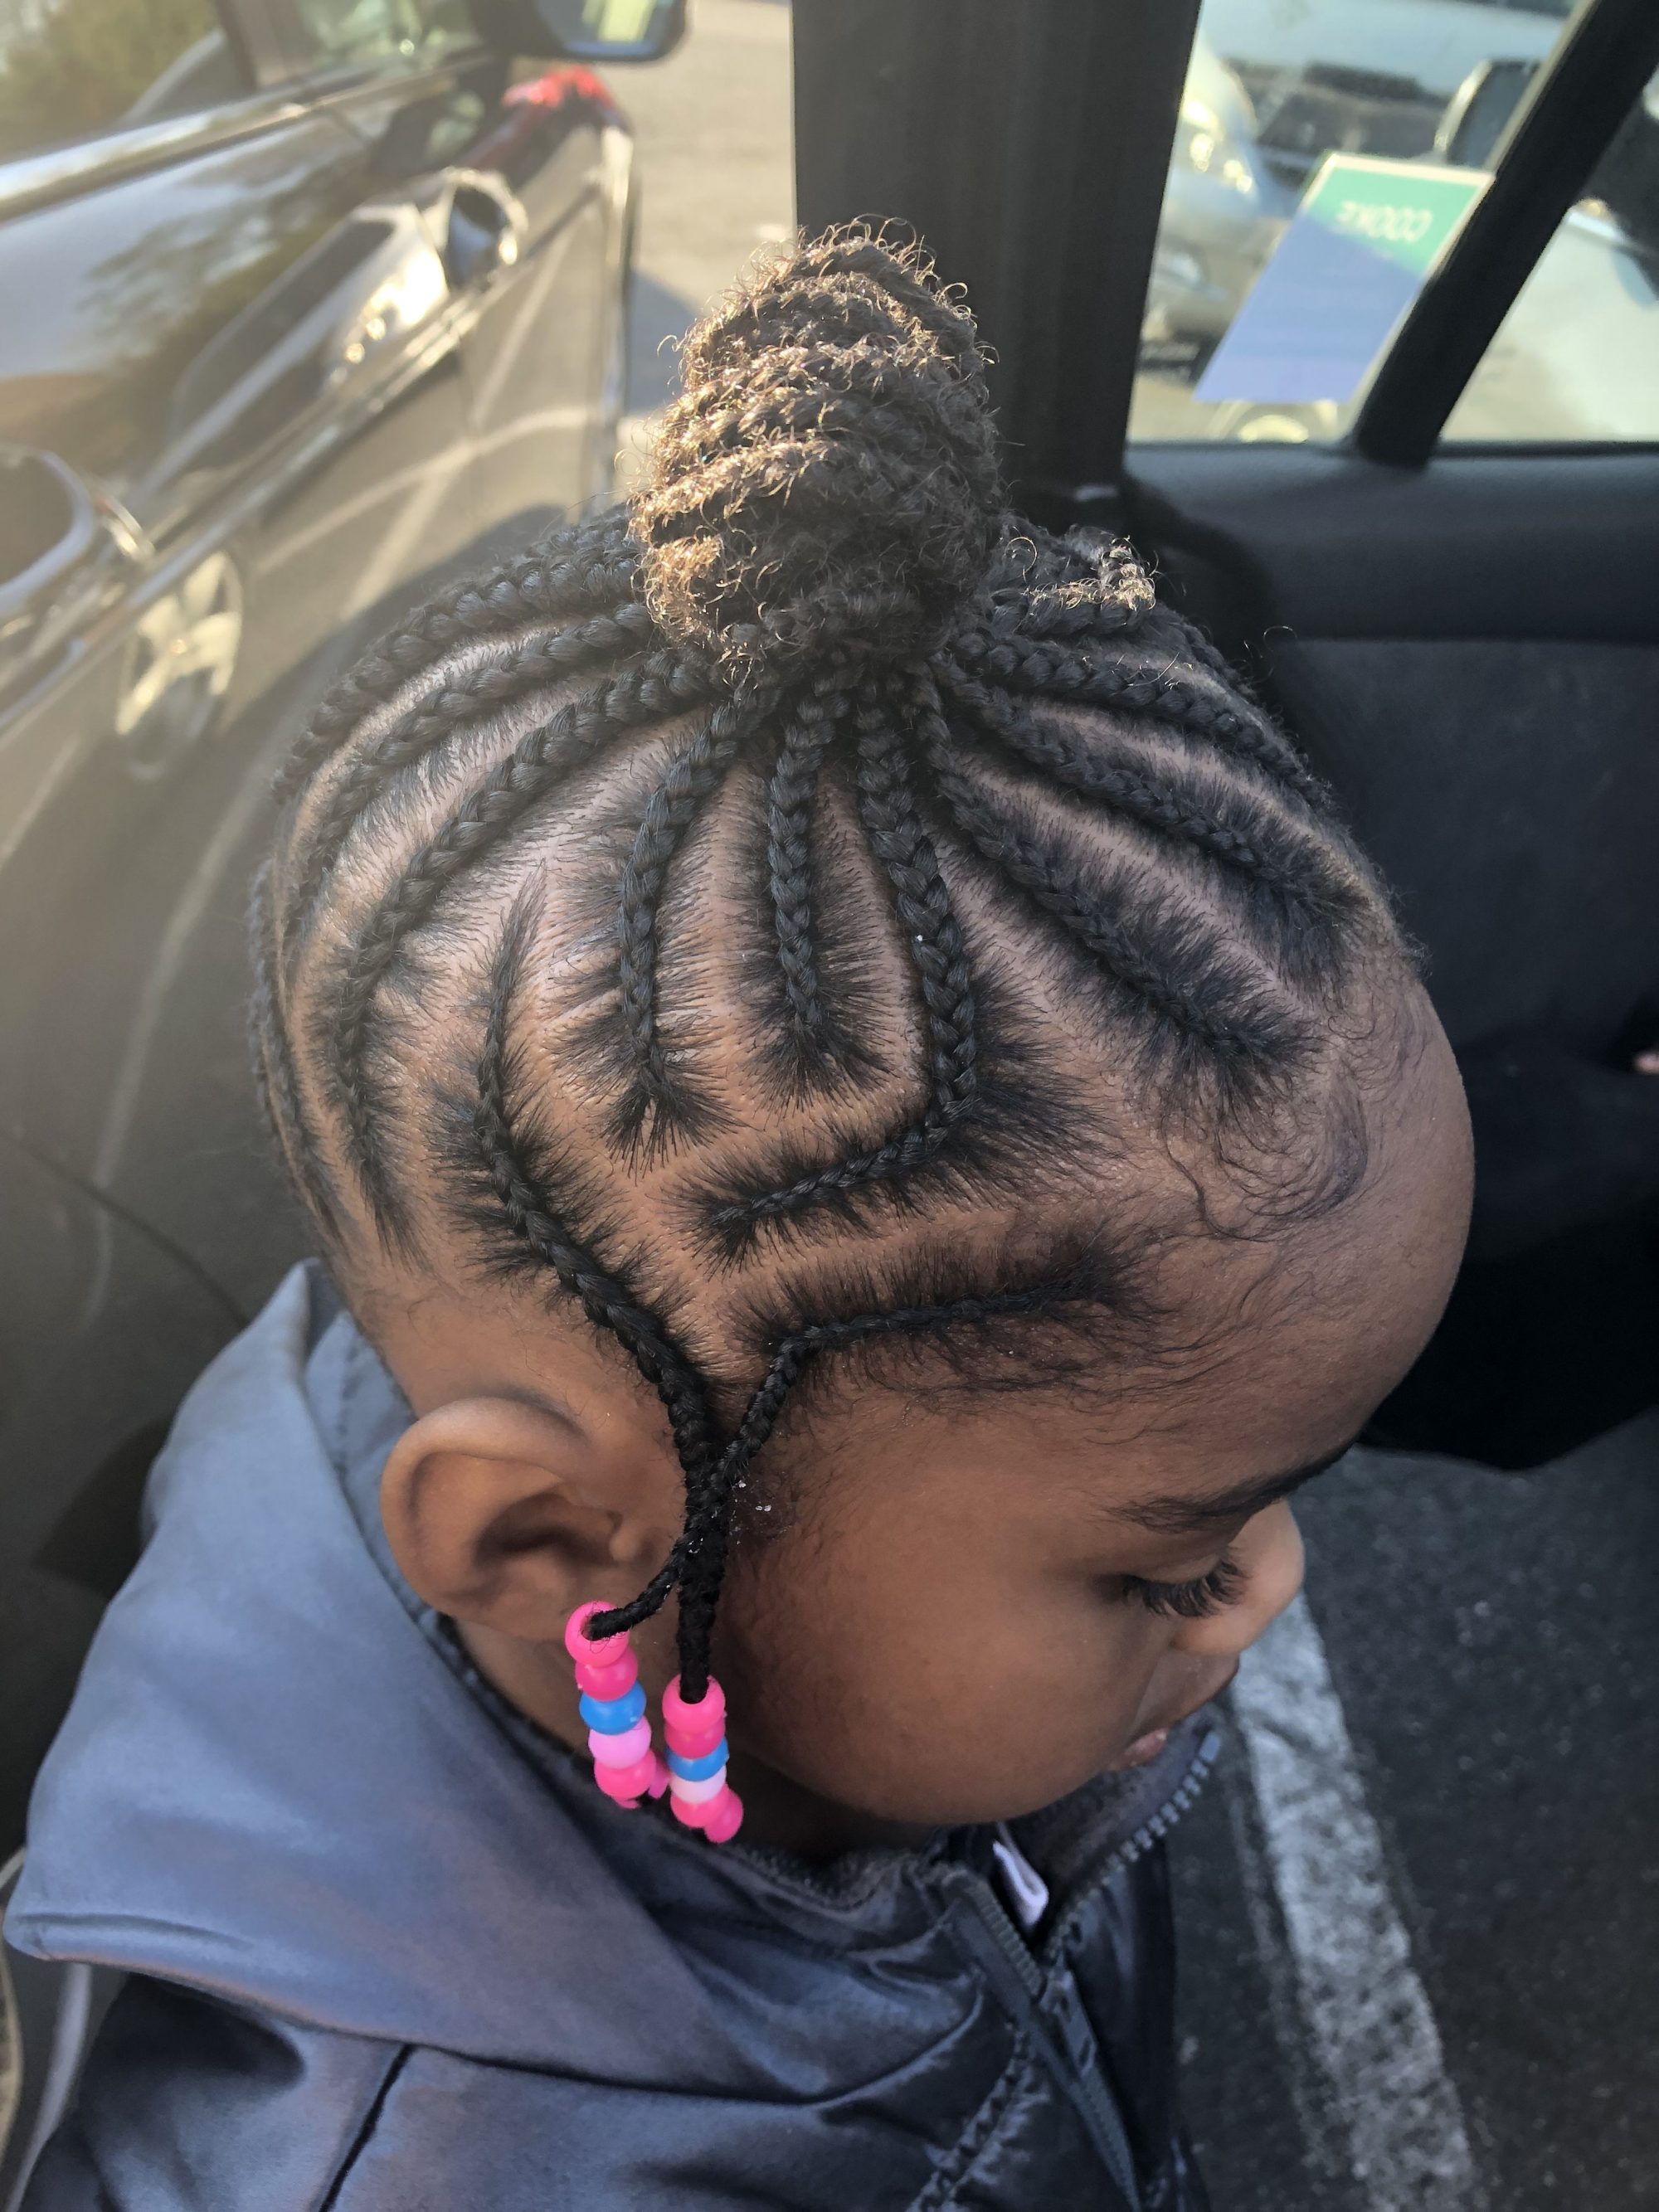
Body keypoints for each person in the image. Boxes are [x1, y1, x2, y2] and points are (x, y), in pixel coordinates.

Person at [7, 231, 1472, 2210]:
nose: (1265, 1588)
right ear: (545, 1538)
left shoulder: (607, 1377)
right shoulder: (454, 2170)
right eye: (1165, 1562)